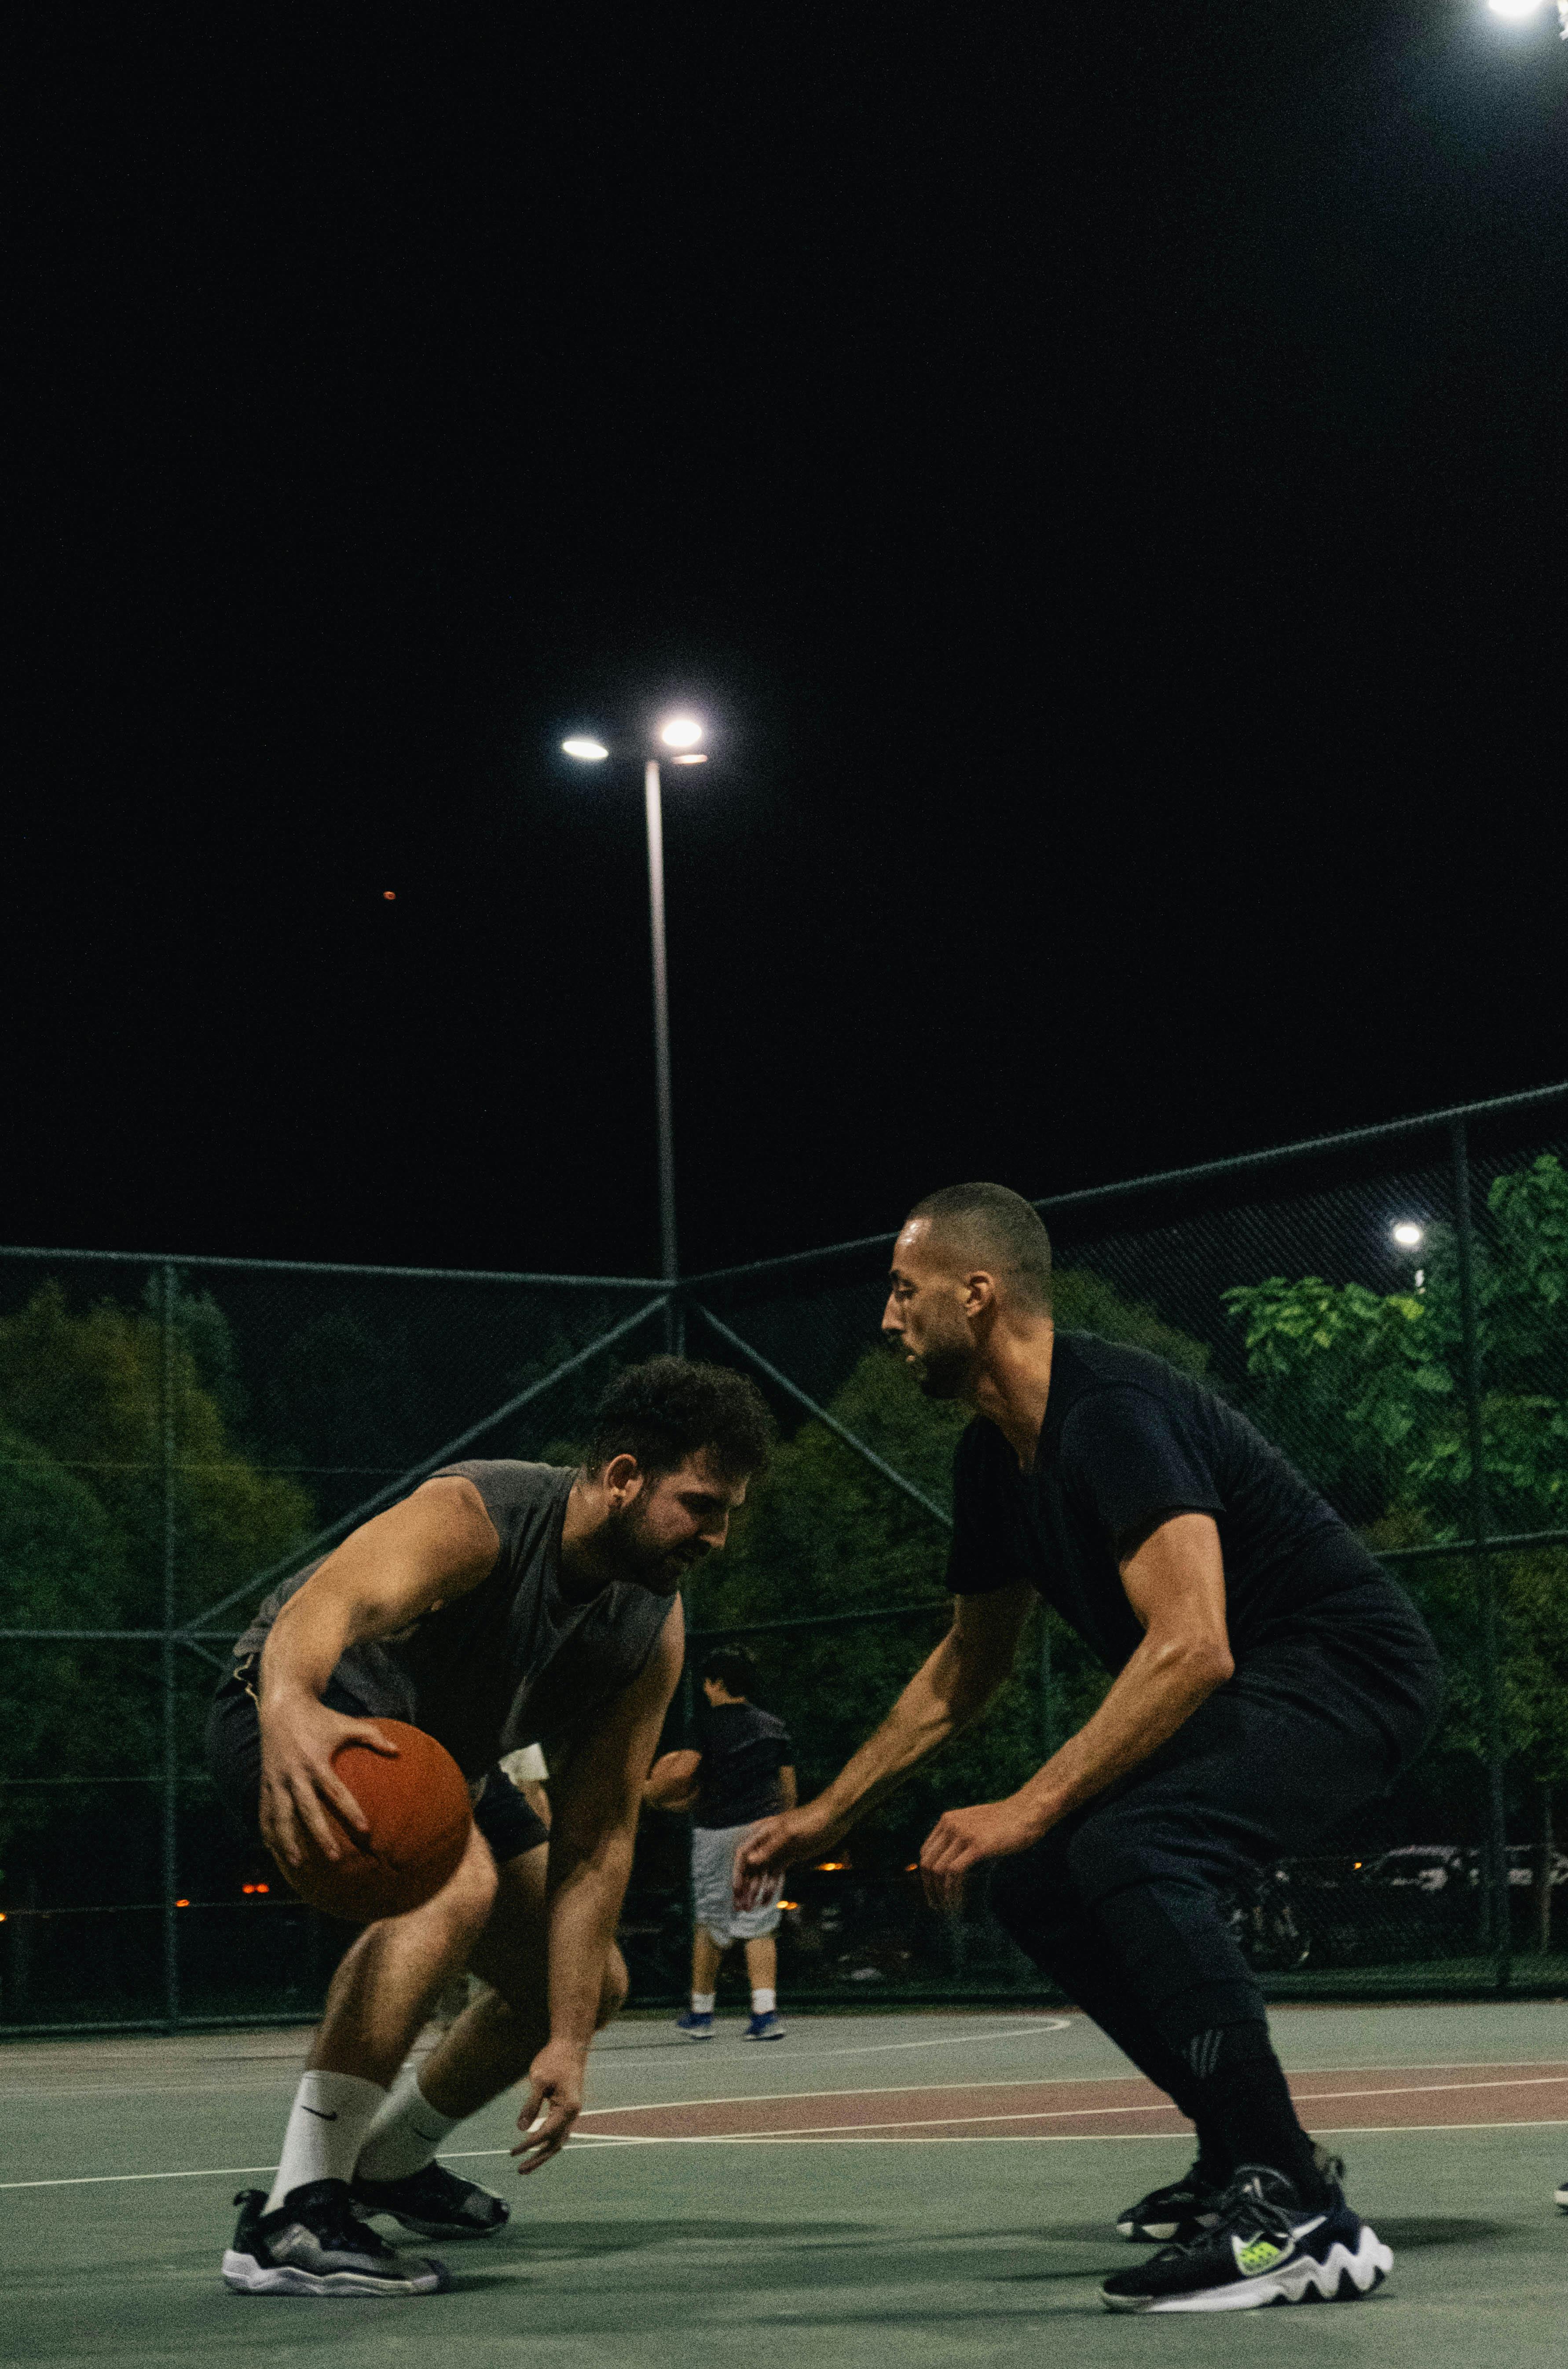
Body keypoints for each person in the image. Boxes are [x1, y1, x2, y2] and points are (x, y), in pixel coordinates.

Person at [736, 1183, 1443, 2316]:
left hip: (1349, 1671)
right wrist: (835, 1809)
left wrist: (1029, 1797)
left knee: (1129, 1844)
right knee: (1035, 1877)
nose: (887, 1318)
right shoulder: (990, 1463)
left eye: (904, 1291)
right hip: (1254, 1677)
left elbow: (1194, 1644)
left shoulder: (1109, 1410)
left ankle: (1298, 2217)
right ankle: (1244, 2147)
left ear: (978, 1293)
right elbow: (966, 1669)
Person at [206, 1355, 773, 2296]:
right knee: (455, 1879)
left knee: (587, 1982)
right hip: (305, 1709)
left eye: (728, 1514)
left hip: (444, 1764)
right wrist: (291, 1703)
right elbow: (330, 1600)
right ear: (625, 1476)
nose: (716, 1535)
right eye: (703, 1503)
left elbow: (600, 1837)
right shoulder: (481, 1515)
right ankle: (295, 2217)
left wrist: (572, 2041)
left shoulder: (649, 1630)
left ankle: (387, 2159)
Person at [643, 1646, 795, 2040]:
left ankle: (701, 2013)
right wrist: (782, 1828)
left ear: (716, 1683)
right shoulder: (773, 1726)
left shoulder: (705, 1725)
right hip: (765, 1828)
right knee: (760, 1920)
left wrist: (650, 1793)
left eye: (707, 1682)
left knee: (711, 1918)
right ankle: (764, 2013)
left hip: (717, 1831)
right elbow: (788, 1789)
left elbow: (686, 1773)